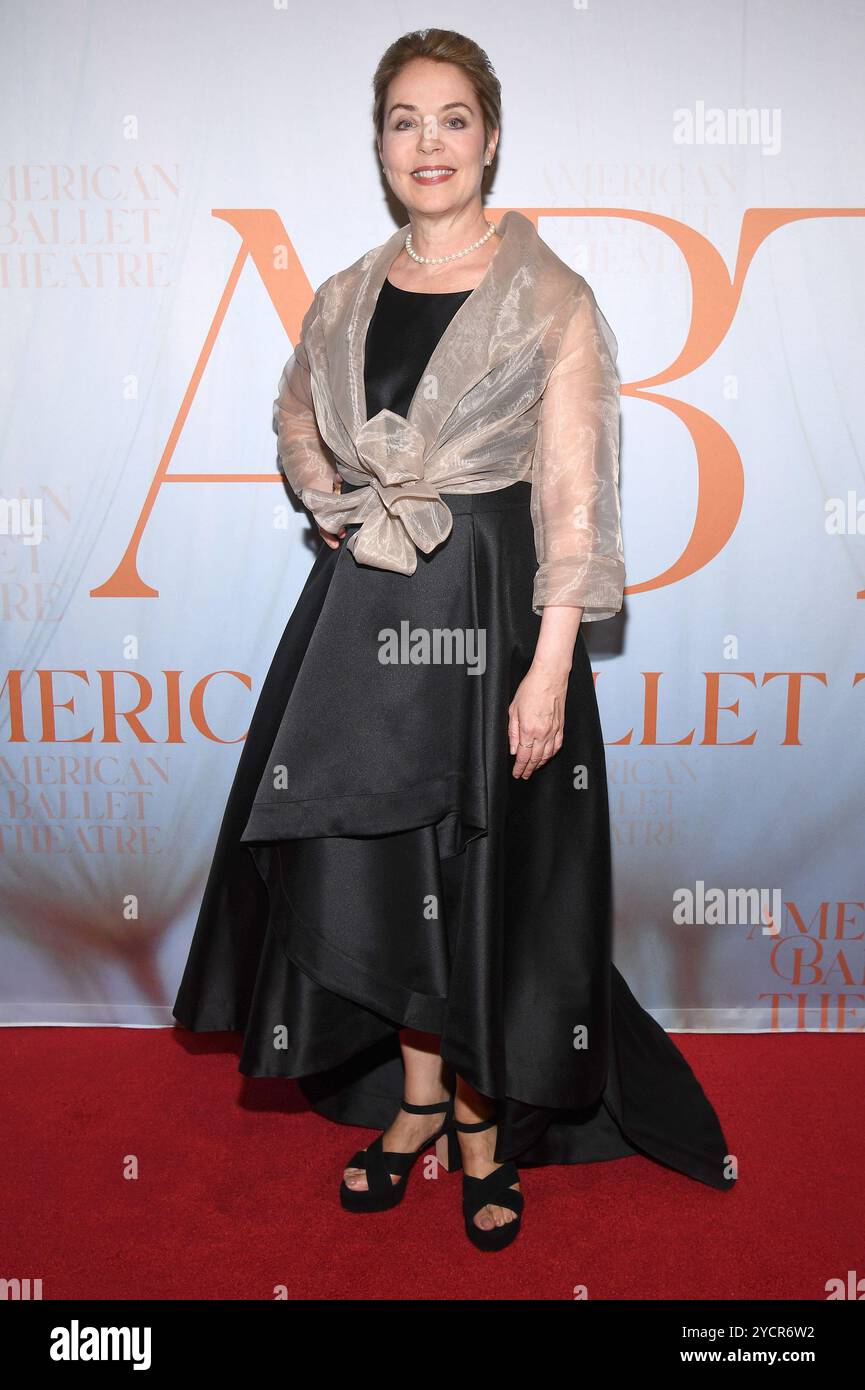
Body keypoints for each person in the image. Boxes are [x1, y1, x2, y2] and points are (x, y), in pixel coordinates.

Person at [173, 27, 735, 1254]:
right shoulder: (345, 294)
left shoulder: (552, 298)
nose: (428, 144)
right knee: (384, 881)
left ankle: (485, 1127)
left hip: (494, 626)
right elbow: (292, 416)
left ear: (490, 137)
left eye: (452, 119)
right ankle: (418, 1105)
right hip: (363, 632)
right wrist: (342, 502)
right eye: (403, 121)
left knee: (480, 881)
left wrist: (548, 670)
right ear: (380, 146)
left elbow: (576, 501)